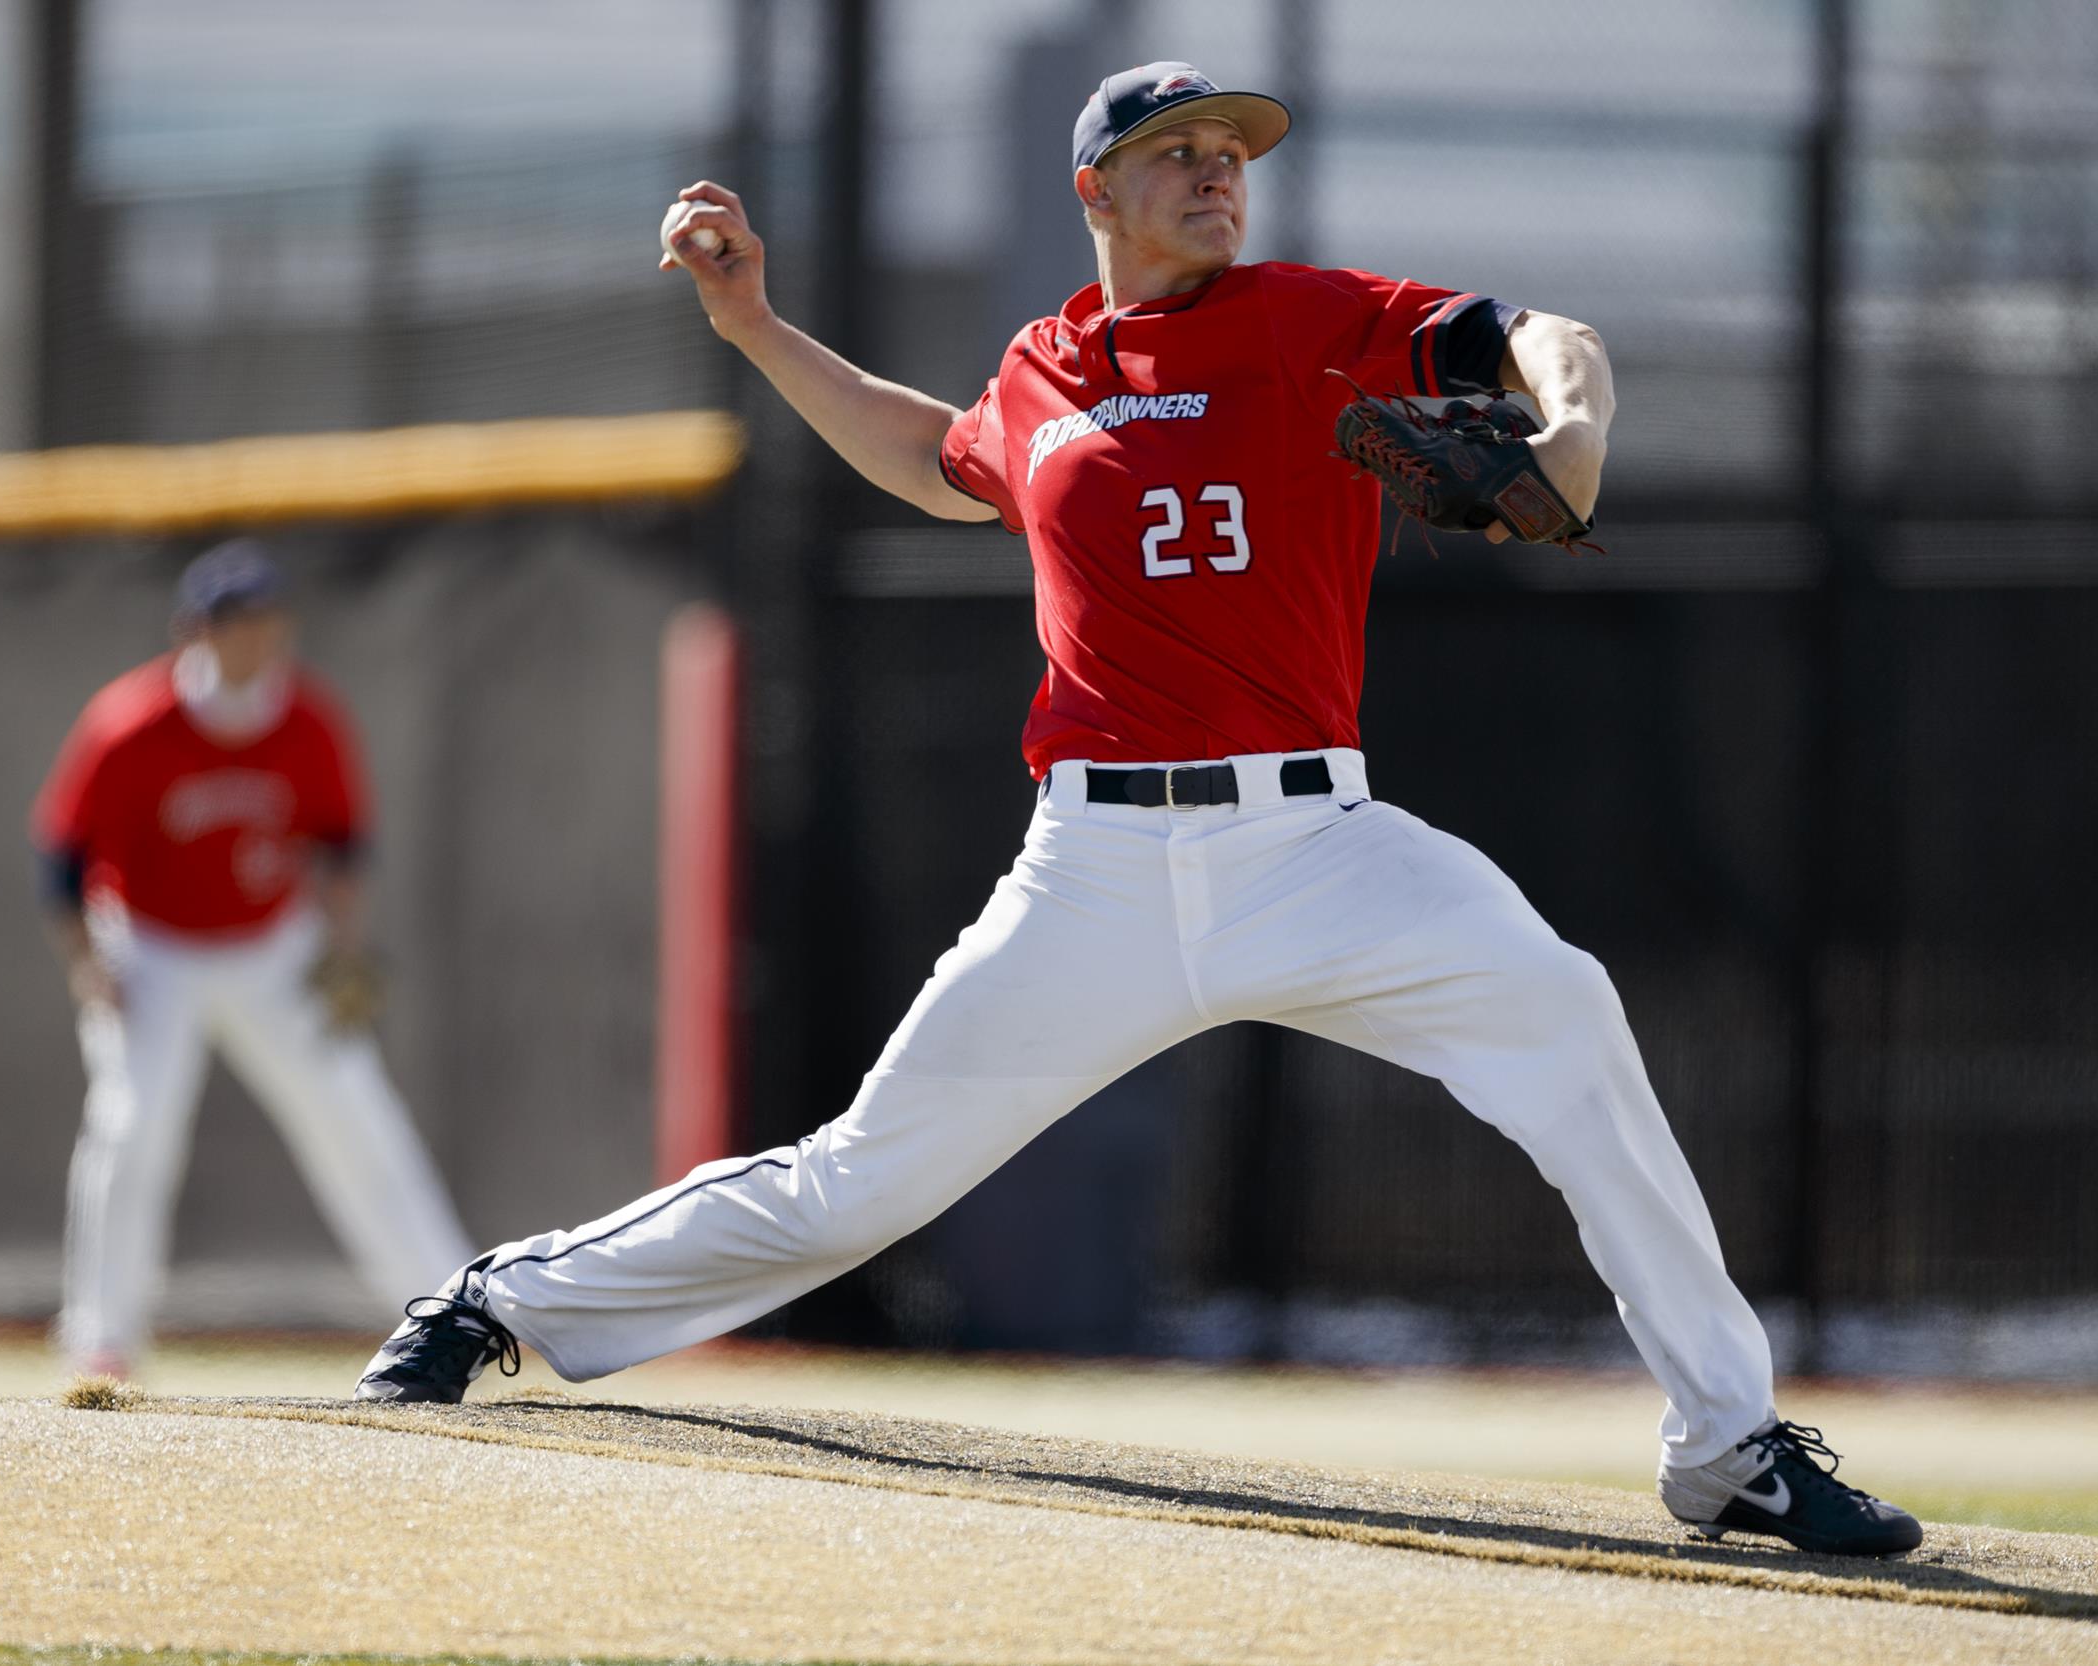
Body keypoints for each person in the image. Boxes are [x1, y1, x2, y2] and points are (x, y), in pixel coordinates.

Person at [355, 61, 1919, 1558]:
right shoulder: (1041, 370)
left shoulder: (1313, 319)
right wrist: (754, 325)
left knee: (1569, 1017)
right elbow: (933, 457)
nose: (1218, 172)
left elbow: (1552, 339)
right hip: (1094, 870)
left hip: (1316, 847)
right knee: (859, 1181)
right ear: (1094, 190)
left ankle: (1731, 1445)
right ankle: (503, 1300)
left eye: (1234, 152)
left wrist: (1570, 434)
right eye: (1180, 150)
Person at [35, 539, 471, 1379]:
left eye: (269, 619)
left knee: (358, 1116)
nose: (258, 637)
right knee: (132, 1127)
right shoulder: (130, 723)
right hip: (152, 946)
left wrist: (342, 946)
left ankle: (454, 1312)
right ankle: (101, 1338)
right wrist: (86, 961)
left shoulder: (307, 719)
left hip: (273, 945)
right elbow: (61, 855)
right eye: (239, 620)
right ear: (194, 630)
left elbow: (343, 846)